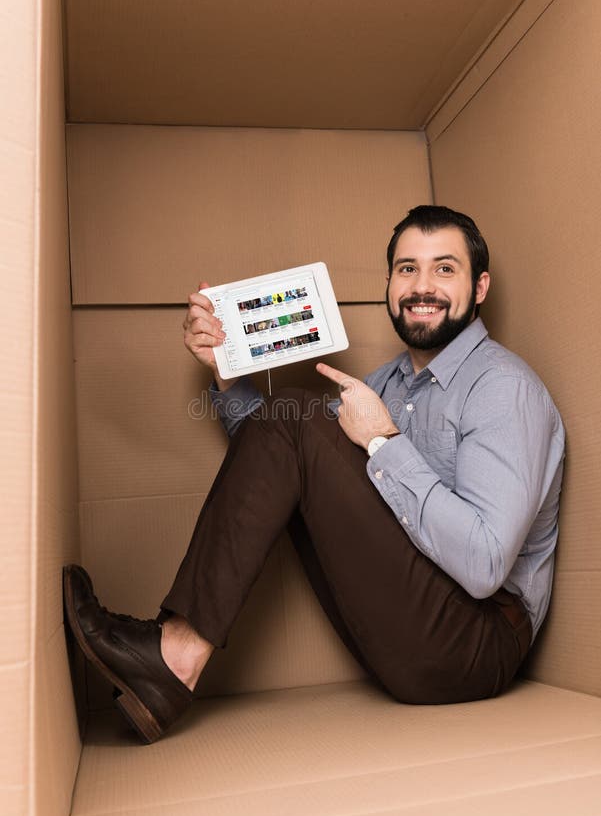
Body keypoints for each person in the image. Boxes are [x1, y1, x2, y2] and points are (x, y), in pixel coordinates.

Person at [63, 205, 565, 744]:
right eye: (406, 269)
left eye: (445, 269)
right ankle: (171, 658)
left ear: (480, 286)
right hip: (400, 628)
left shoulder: (504, 389)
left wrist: (382, 441)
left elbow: (486, 564)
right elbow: (279, 462)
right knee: (291, 421)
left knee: (298, 415)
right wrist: (226, 371)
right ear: (389, 285)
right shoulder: (385, 383)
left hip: (475, 646)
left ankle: (174, 657)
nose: (423, 286)